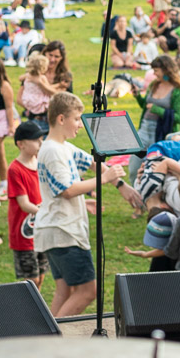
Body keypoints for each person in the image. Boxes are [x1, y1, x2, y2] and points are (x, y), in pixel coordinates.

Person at [34, 91, 122, 318]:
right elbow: (68, 190)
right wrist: (106, 179)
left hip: (55, 229)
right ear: (61, 119)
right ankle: (56, 341)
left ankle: (46, 340)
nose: (80, 125)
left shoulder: (62, 146)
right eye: (76, 119)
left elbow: (94, 164)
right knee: (87, 291)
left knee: (65, 291)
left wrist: (122, 186)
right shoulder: (53, 151)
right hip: (64, 231)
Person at [6, 121, 49, 286]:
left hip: (41, 229)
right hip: (23, 235)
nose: (41, 143)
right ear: (21, 144)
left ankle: (36, 309)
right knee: (32, 279)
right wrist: (47, 212)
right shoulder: (15, 170)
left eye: (41, 139)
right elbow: (24, 204)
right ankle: (29, 310)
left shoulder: (40, 164)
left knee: (42, 274)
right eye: (36, 140)